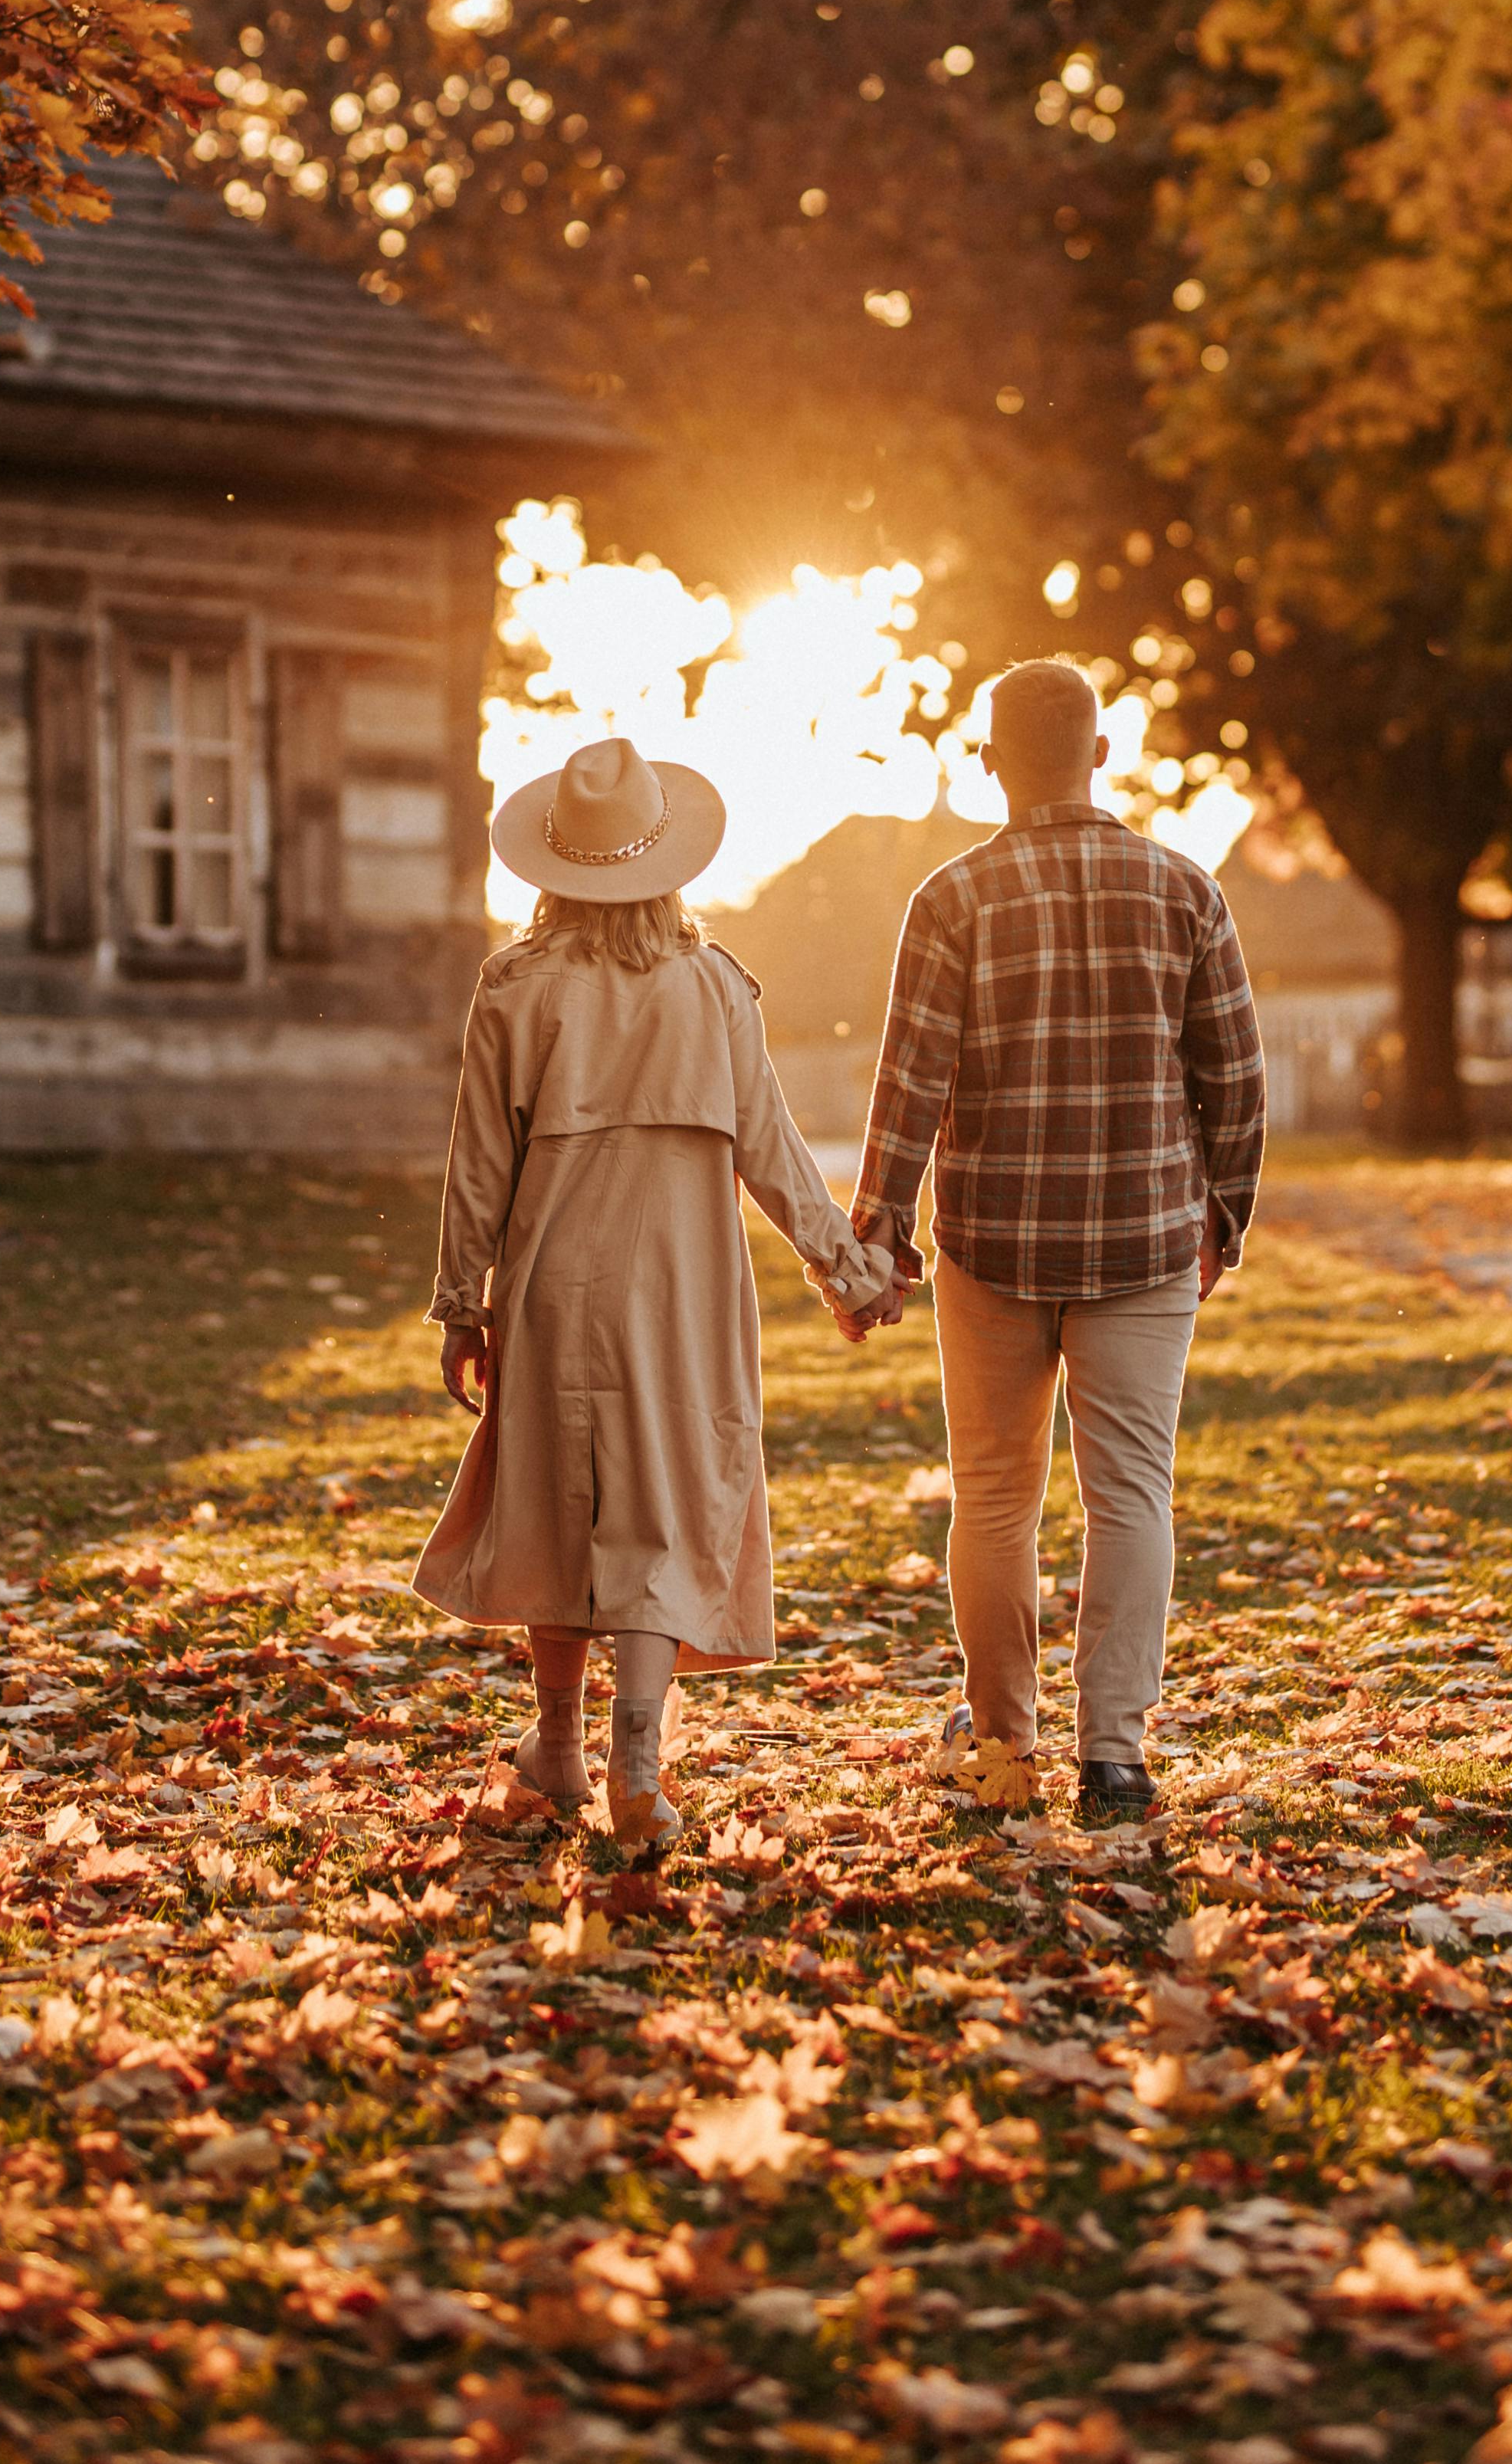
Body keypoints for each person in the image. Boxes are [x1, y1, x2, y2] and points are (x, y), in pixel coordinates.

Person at [415, 732, 901, 1847]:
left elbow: (478, 1160)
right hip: (684, 1282)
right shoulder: (714, 986)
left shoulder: (515, 987)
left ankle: (559, 1747)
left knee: (556, 1491)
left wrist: (461, 1302)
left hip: (550, 1274)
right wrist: (851, 1268)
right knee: (658, 1499)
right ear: (668, 862)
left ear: (555, 865)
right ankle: (639, 1755)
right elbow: (774, 1151)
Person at [851, 657, 1264, 1826]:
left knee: (992, 1500)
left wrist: (879, 1234)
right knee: (1132, 1494)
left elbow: (908, 1089)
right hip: (1144, 1240)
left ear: (988, 761)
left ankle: (1004, 1742)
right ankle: (1116, 1756)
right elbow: (1233, 1074)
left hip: (992, 1243)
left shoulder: (951, 897)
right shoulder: (1183, 887)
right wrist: (1220, 1218)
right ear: (1100, 752)